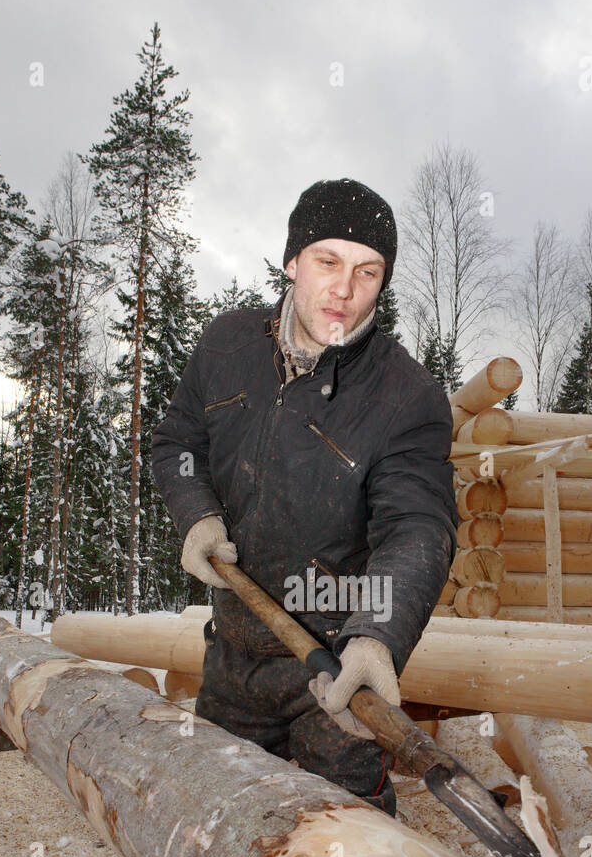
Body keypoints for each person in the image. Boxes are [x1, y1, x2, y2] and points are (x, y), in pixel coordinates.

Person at [151, 178, 458, 816]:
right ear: (293, 261)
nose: (345, 290)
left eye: (368, 272)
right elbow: (179, 441)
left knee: (355, 849)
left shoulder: (405, 396)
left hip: (332, 668)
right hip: (232, 654)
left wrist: (377, 637)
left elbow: (417, 528)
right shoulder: (226, 347)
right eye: (328, 262)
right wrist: (198, 516)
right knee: (218, 827)